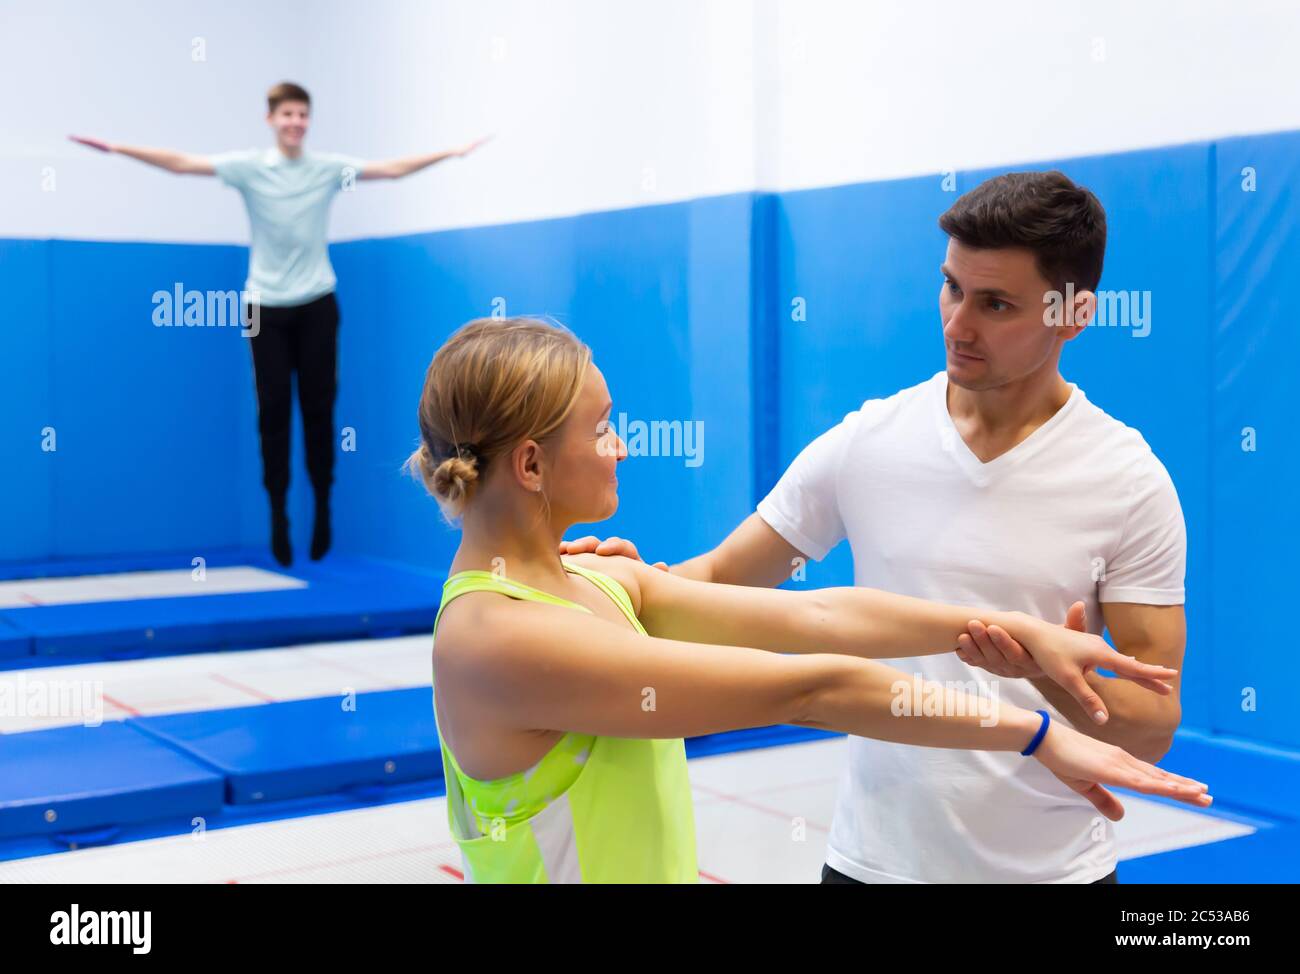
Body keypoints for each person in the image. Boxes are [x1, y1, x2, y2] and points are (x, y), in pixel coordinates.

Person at [411, 315, 1208, 884]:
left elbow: (821, 615)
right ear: (531, 466)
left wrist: (1018, 631)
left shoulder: (593, 580)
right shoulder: (497, 639)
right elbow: (813, 685)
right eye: (602, 428)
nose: (619, 445)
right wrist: (1033, 732)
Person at [563, 170, 1190, 884]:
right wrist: (622, 585)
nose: (958, 324)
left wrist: (1045, 676)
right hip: (872, 866)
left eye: (995, 304)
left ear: (1074, 314)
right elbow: (716, 584)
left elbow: (1153, 727)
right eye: (952, 287)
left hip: (1053, 875)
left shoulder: (1129, 480)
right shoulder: (870, 442)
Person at [71, 81, 489, 566]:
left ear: (307, 121)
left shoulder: (327, 168)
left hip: (317, 301)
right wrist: (117, 148)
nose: (295, 122)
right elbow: (182, 163)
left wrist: (454, 153)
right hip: (264, 305)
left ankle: (323, 507)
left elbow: (392, 171)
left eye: (302, 115)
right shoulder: (250, 168)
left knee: (318, 411)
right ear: (271, 119)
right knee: (272, 411)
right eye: (287, 114)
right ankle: (277, 513)